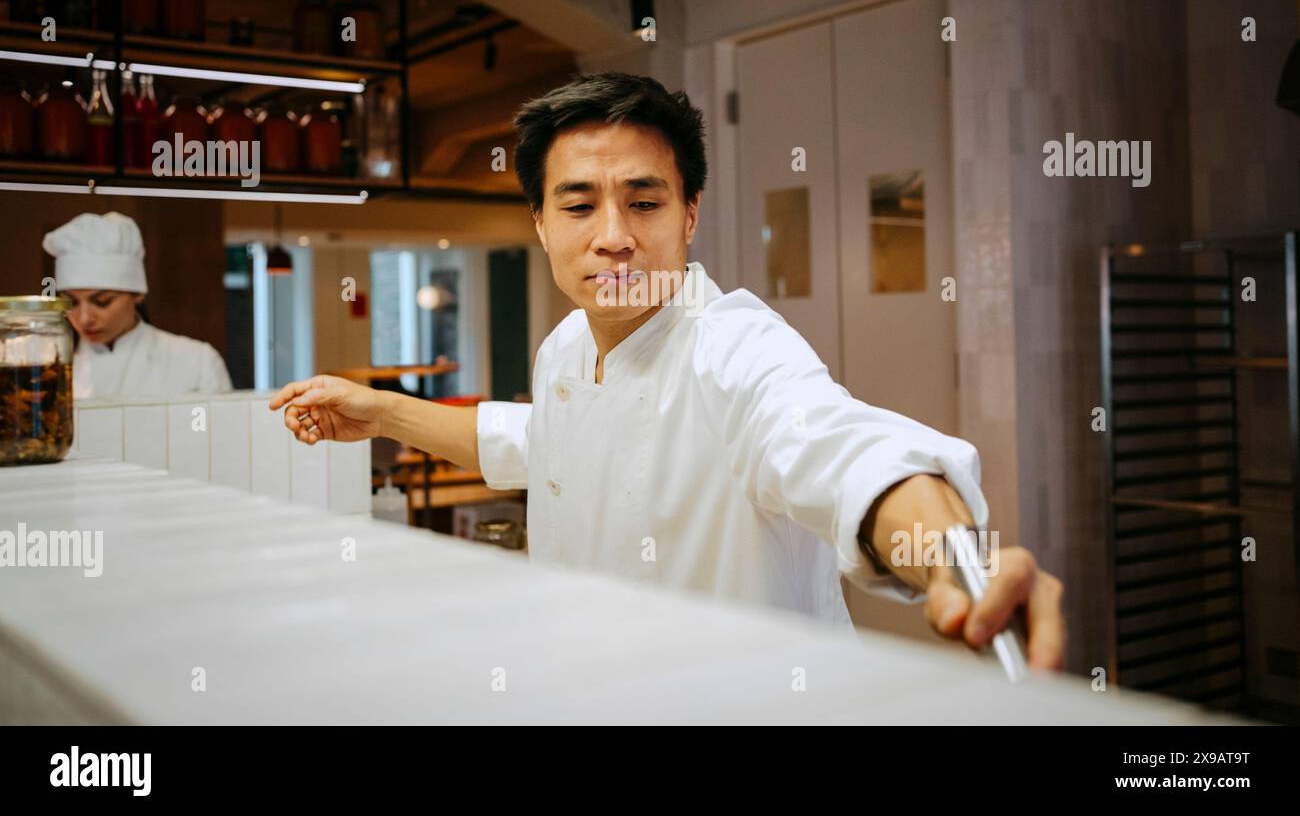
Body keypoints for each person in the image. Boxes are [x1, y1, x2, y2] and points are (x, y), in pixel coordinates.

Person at [271, 72, 1065, 669]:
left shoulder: (736, 347)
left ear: (689, 214)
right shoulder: (566, 349)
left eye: (643, 203)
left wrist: (956, 558)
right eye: (579, 206)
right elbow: (531, 440)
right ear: (542, 226)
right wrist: (377, 411)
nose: (613, 236)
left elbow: (842, 447)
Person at [43, 211, 233, 399]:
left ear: (138, 294)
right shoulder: (45, 368)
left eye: (102, 302)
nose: (84, 318)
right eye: (71, 302)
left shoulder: (196, 362)